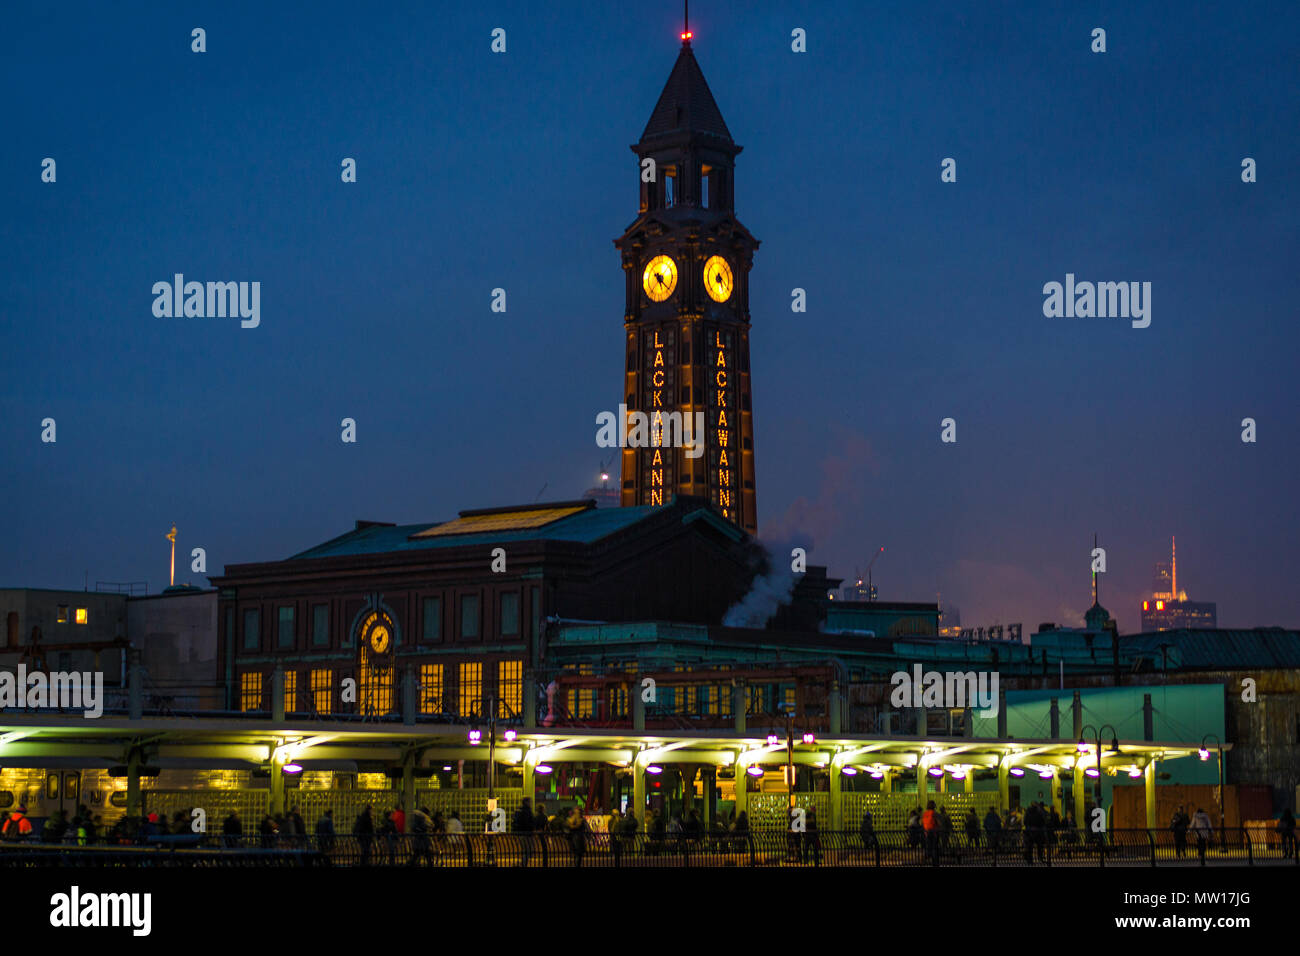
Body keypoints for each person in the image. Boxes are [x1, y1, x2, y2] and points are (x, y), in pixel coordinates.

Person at [513, 798, 535, 867]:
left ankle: (523, 863)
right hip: (527, 833)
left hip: (521, 833)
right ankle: (523, 864)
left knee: (525, 850)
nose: (531, 803)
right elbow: (528, 822)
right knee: (528, 850)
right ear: (526, 802)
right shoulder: (527, 811)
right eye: (530, 801)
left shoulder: (519, 810)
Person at [921, 800, 940, 865]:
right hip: (934, 832)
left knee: (928, 847)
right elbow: (939, 823)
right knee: (934, 848)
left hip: (927, 833)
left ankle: (927, 859)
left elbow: (922, 823)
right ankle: (935, 863)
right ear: (934, 806)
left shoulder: (924, 814)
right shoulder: (934, 813)